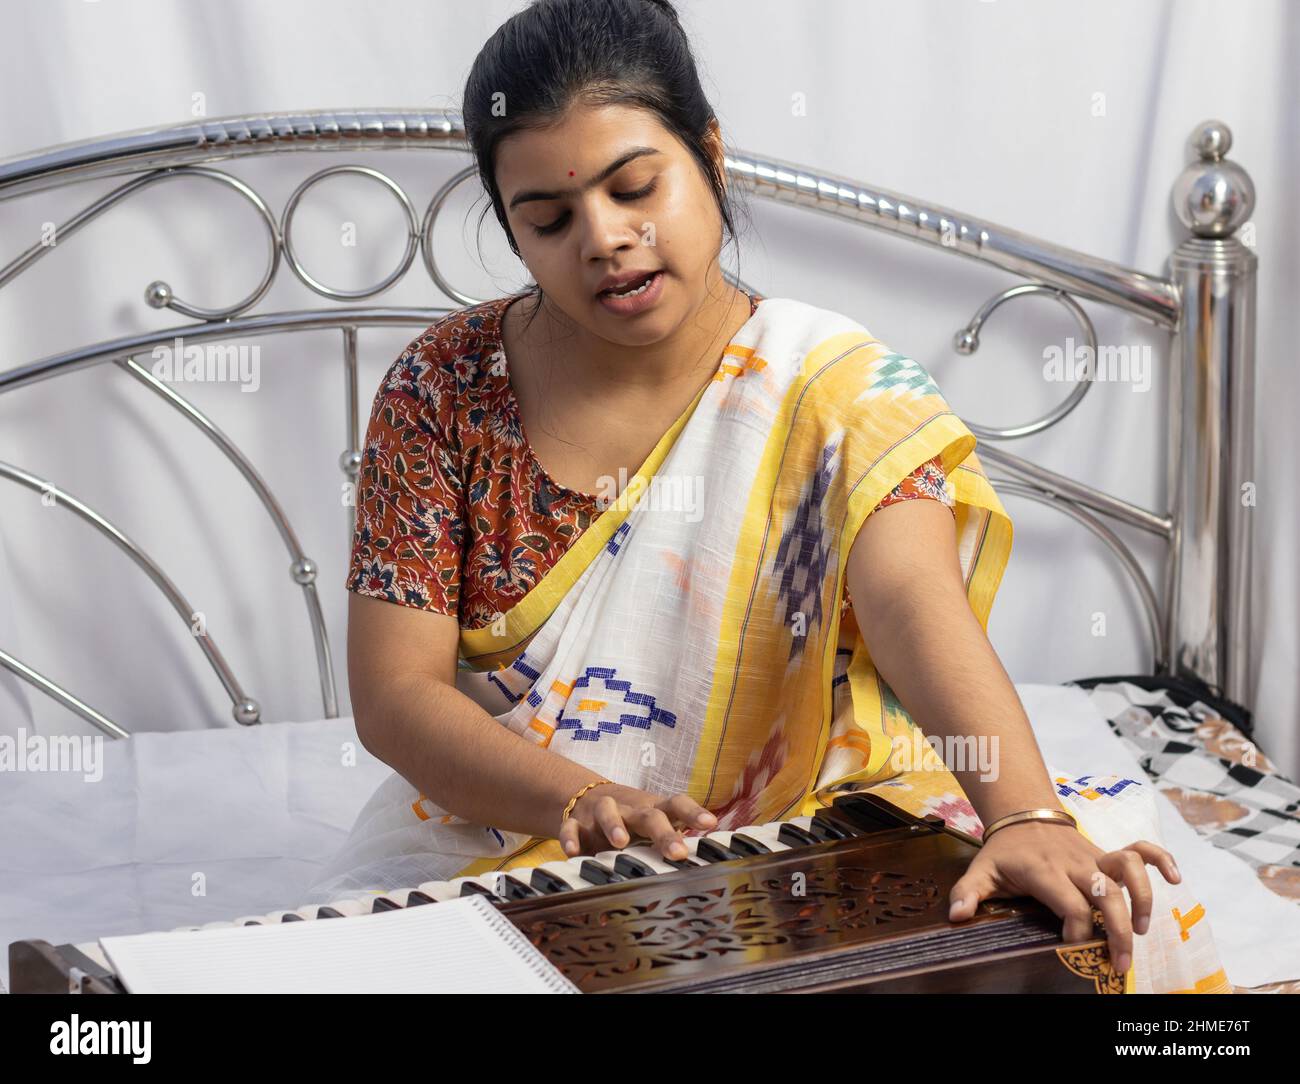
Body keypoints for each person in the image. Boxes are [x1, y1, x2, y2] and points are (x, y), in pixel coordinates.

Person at [311, 0, 1228, 994]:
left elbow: (914, 601)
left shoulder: (829, 388)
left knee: (1104, 905)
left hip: (800, 832)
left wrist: (1023, 813)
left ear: (708, 153)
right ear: (512, 229)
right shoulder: (441, 388)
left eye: (634, 187)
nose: (605, 238)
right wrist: (581, 800)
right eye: (549, 218)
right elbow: (396, 698)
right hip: (503, 826)